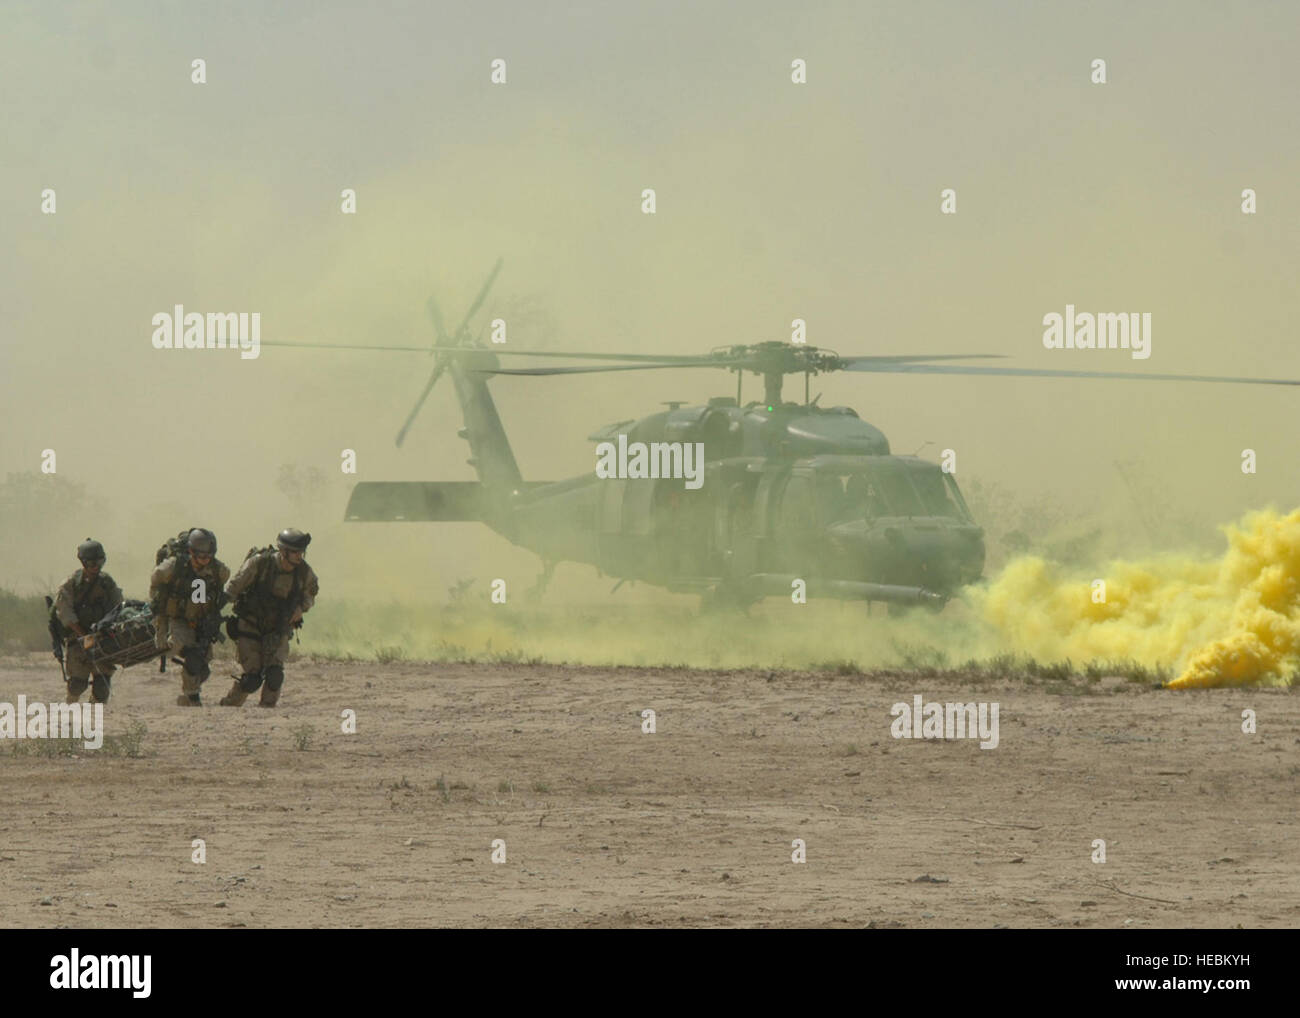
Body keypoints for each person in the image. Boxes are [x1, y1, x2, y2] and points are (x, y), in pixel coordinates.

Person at [219, 529, 319, 708]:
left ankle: (267, 714)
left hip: (278, 628)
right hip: (250, 625)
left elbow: (310, 595)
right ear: (283, 551)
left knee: (275, 675)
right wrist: (213, 610)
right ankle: (229, 706)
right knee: (252, 678)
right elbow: (233, 588)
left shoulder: (304, 572)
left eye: (301, 552)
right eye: (295, 552)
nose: (299, 556)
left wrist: (301, 608)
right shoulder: (260, 564)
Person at [150, 528, 230, 706]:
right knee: (191, 658)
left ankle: (186, 698)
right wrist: (161, 628)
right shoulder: (173, 567)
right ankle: (192, 697)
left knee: (203, 670)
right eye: (201, 556)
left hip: (202, 622)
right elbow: (156, 586)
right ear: (191, 552)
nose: (205, 560)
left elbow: (218, 591)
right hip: (178, 620)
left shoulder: (219, 571)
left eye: (209, 556)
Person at [54, 539, 123, 705]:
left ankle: (95, 718)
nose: (96, 567)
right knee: (78, 684)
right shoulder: (70, 585)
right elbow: (66, 614)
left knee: (102, 687)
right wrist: (84, 636)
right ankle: (70, 704)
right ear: (83, 562)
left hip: (102, 638)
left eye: (100, 562)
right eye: (92, 563)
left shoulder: (106, 582)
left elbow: (119, 606)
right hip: (78, 639)